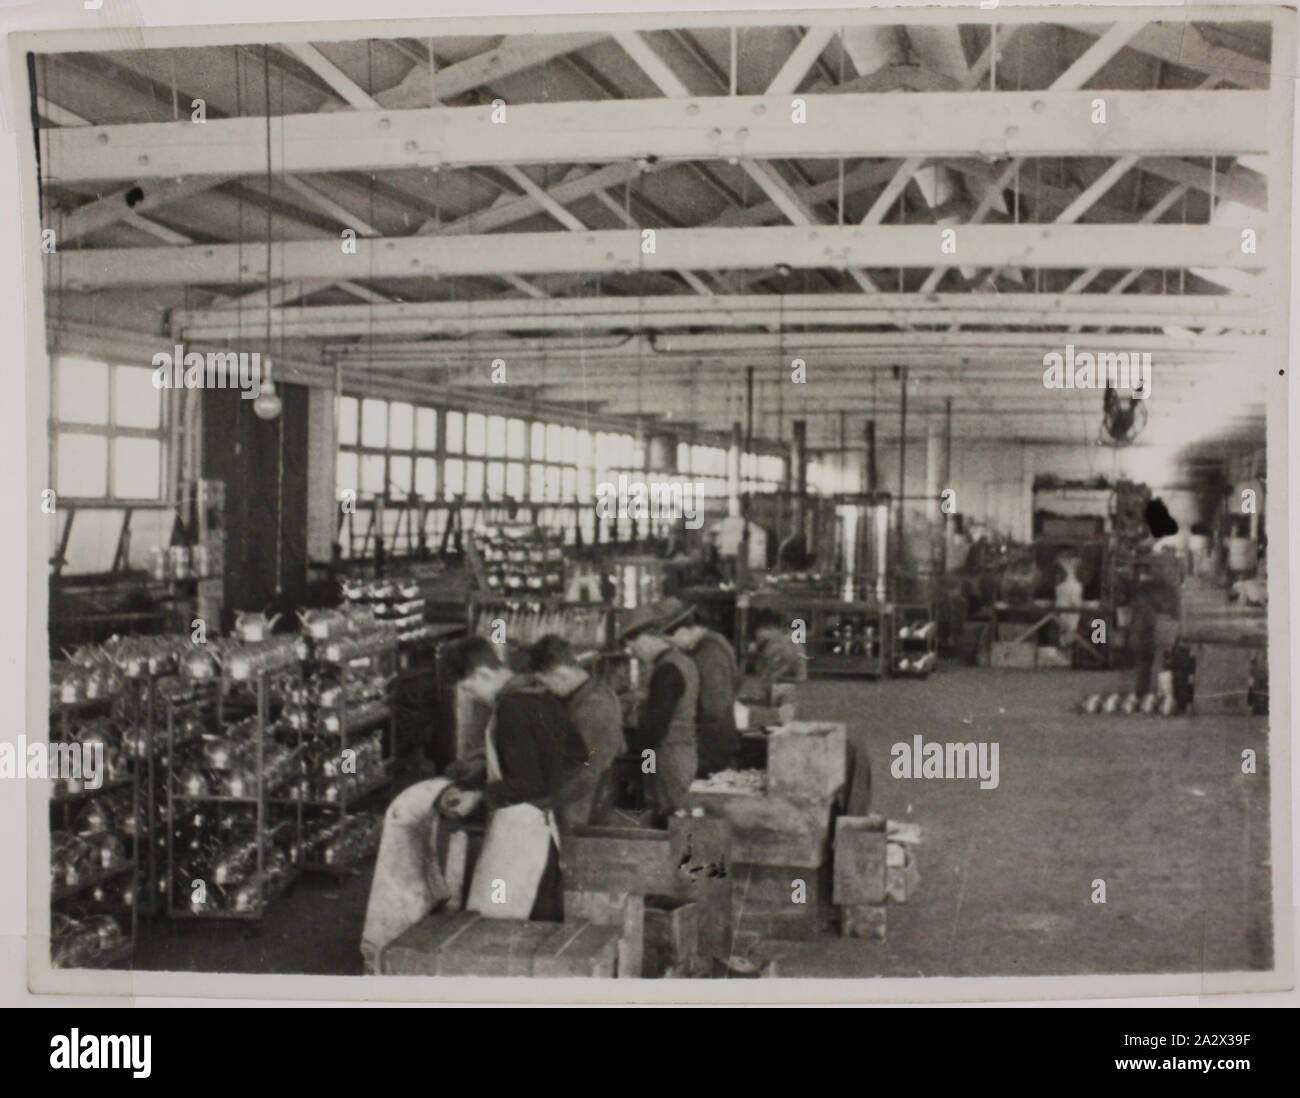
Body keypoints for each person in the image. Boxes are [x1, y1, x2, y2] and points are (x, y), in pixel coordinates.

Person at [441, 636, 588, 921]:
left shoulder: (512, 706)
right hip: (544, 829)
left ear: (483, 674)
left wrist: (479, 797)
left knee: (498, 917)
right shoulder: (540, 694)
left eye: (469, 688)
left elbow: (527, 783)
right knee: (537, 917)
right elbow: (577, 754)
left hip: (517, 838)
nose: (471, 696)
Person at [529, 634, 625, 826]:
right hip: (578, 798)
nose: (547, 690)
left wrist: (538, 804)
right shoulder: (590, 692)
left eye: (546, 683)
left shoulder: (593, 708)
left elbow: (584, 775)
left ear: (561, 675)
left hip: (580, 808)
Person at [620, 605, 700, 819]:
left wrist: (627, 748)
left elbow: (655, 727)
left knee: (670, 818)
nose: (634, 652)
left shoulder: (666, 671)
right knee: (666, 812)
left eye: (634, 645)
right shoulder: (682, 661)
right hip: (680, 751)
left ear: (648, 637)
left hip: (668, 756)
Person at [654, 597, 742, 778]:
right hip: (716, 741)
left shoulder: (709, 654)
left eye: (671, 639)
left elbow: (714, 707)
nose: (671, 645)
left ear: (684, 631)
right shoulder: (711, 644)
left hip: (711, 746)